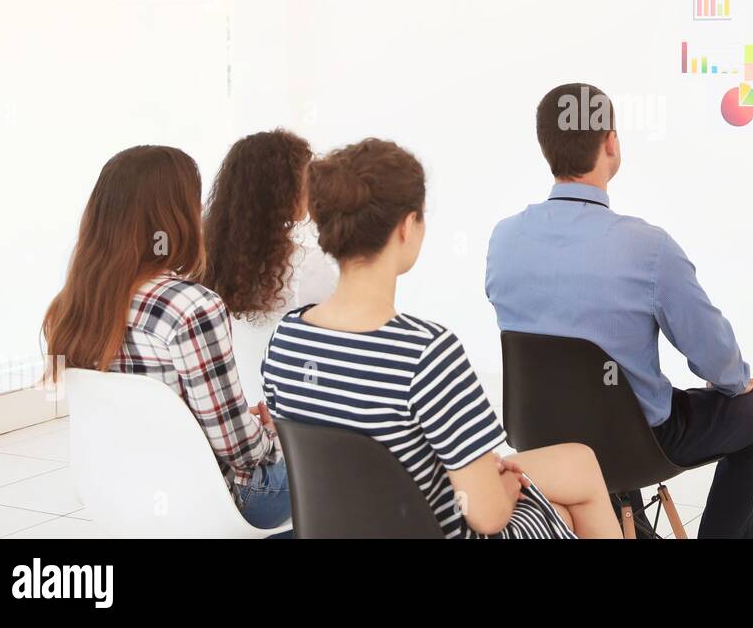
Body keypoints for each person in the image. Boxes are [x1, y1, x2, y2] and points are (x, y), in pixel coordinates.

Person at [263, 138, 620, 539]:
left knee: (579, 462)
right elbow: (487, 517)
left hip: (351, 525)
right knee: (561, 508)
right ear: (406, 227)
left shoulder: (286, 341)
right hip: (437, 527)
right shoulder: (426, 353)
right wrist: (502, 486)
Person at [486, 82, 753, 539]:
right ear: (611, 142)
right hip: (635, 446)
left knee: (609, 411)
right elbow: (713, 355)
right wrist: (736, 381)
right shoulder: (647, 247)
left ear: (546, 147)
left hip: (539, 439)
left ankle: (621, 514)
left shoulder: (503, 240)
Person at [41, 145, 289, 529]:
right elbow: (238, 450)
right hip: (214, 498)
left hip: (119, 488)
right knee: (331, 467)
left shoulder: (72, 305)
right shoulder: (192, 306)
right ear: (174, 217)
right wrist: (270, 435)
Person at [201, 129, 337, 403]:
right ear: (283, 189)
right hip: (292, 418)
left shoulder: (205, 262)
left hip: (235, 410)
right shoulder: (308, 265)